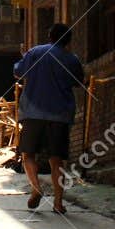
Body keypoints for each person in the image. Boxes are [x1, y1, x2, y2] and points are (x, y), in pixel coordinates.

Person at [12, 23, 84, 214]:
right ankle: (59, 204)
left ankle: (36, 188)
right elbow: (78, 81)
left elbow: (18, 72)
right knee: (57, 160)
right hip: (60, 115)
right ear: (68, 41)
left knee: (28, 154)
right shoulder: (72, 59)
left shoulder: (35, 52)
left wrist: (24, 58)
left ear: (50, 35)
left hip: (33, 112)